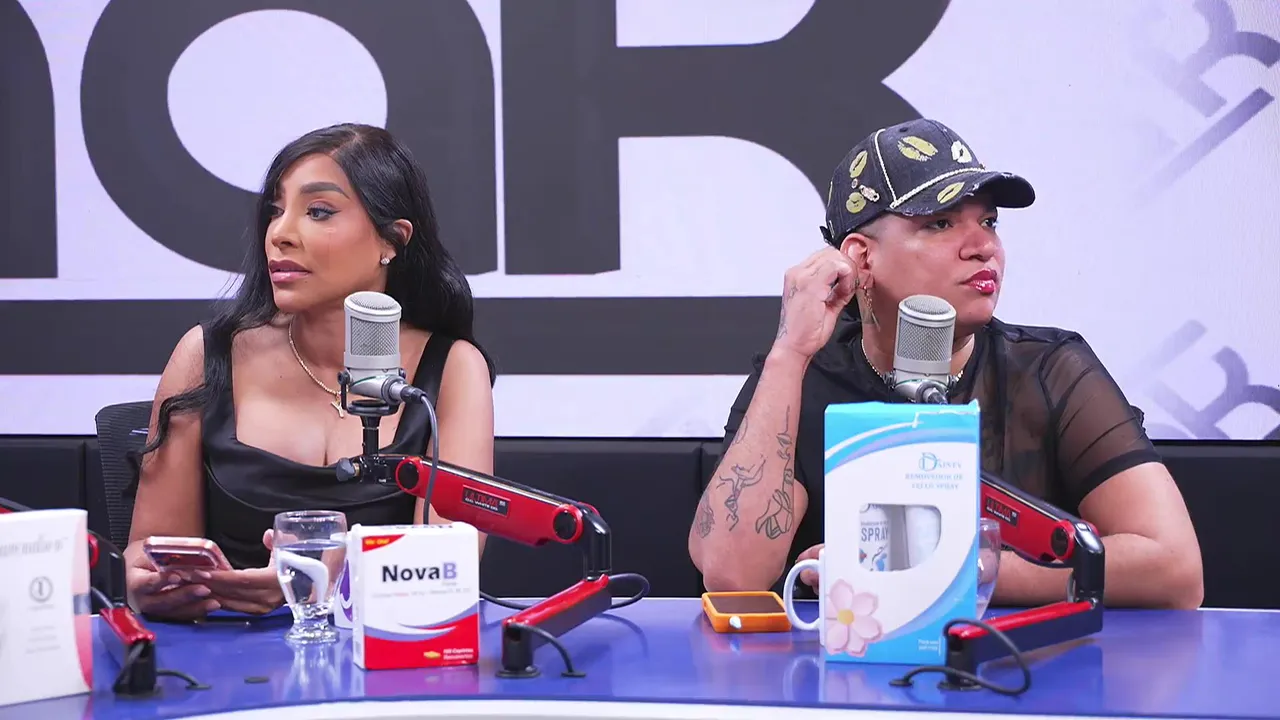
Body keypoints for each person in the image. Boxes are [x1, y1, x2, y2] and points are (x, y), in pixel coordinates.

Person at [688, 118, 1204, 609]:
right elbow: (731, 575)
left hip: (1012, 667)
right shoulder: (802, 377)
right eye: (940, 223)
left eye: (989, 222)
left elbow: (1175, 570)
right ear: (862, 257)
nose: (984, 247)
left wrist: (951, 572)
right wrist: (790, 352)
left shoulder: (1049, 370)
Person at [125, 124, 497, 621]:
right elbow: (146, 550)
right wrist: (148, 583)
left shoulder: (451, 369)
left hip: (381, 652)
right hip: (224, 647)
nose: (280, 233)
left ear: (392, 239)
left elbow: (448, 564)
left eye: (318, 211)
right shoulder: (205, 355)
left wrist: (320, 578)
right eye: (275, 211)